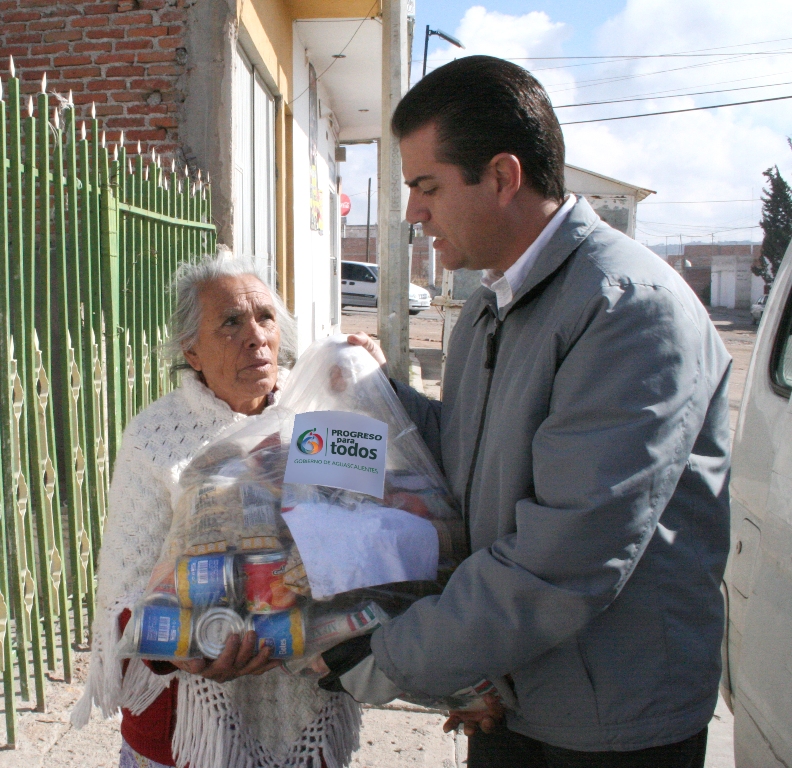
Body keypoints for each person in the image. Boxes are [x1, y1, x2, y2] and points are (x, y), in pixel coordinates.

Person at [322, 56, 732, 768]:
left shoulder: (626, 309)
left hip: (612, 720)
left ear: (504, 177)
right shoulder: (493, 301)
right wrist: (367, 395)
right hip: (513, 692)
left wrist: (380, 657)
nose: (413, 213)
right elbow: (470, 454)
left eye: (427, 187)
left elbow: (565, 556)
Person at [73, 255, 361, 768]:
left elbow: (371, 535)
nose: (256, 336)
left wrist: (365, 385)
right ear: (192, 351)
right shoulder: (156, 438)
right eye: (231, 322)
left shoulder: (322, 414)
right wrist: (179, 649)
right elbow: (127, 582)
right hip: (185, 727)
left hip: (310, 692)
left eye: (265, 317)